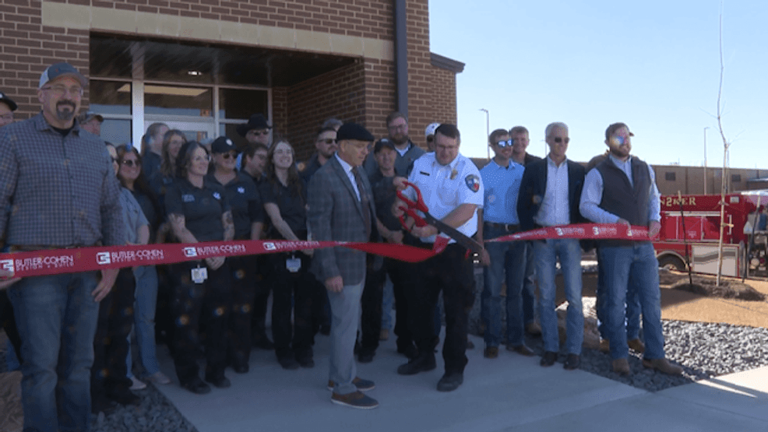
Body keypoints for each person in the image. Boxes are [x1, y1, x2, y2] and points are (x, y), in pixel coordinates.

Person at [0, 61, 125, 432]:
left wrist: (113, 262)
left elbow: (111, 207)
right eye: (59, 88)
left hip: (87, 273)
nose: (67, 96)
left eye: (75, 90)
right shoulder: (12, 138)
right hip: (34, 274)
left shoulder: (93, 147)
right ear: (41, 95)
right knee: (41, 369)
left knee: (79, 366)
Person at [579, 122, 683, 376]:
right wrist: (613, 220)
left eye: (627, 137)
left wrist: (655, 218)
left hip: (644, 246)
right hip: (615, 247)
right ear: (608, 143)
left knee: (651, 300)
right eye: (619, 137)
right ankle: (618, 355)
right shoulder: (597, 172)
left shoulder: (644, 168)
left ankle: (655, 356)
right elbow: (586, 206)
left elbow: (653, 197)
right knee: (615, 301)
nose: (625, 141)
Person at [394, 124, 483, 393]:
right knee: (419, 305)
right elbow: (407, 199)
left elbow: (467, 210)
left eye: (451, 148)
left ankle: (454, 369)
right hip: (421, 246)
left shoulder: (468, 170)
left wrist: (434, 228)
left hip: (454, 250)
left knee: (456, 312)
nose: (445, 152)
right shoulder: (421, 162)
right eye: (441, 146)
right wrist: (404, 217)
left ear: (458, 145)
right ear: (434, 144)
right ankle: (424, 355)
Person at [307, 122, 379, 409]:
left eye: (367, 148)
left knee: (348, 324)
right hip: (340, 268)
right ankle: (343, 388)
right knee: (345, 326)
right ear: (343, 145)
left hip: (358, 262)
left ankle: (341, 375)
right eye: (361, 147)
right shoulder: (324, 178)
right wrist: (330, 270)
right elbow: (320, 229)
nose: (365, 152)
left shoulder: (358, 172)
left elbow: (367, 212)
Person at [165, 141, 235, 394]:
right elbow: (179, 228)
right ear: (186, 163)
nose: (204, 161)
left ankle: (216, 371)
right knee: (189, 323)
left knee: (218, 319)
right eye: (197, 158)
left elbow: (228, 224)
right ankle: (189, 376)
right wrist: (205, 253)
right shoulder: (175, 190)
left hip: (220, 264)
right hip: (190, 266)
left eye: (205, 157)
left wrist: (223, 252)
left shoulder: (217, 190)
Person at [518, 122, 586, 370]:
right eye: (557, 139)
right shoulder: (534, 169)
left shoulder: (579, 171)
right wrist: (532, 232)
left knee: (575, 297)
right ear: (547, 140)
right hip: (543, 238)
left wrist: (584, 238)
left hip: (570, 238)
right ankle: (550, 348)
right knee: (545, 296)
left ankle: (574, 351)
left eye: (566, 140)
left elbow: (584, 205)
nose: (562, 144)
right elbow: (523, 204)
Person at [90, 144, 146, 413]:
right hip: (98, 276)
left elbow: (142, 224)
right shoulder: (86, 192)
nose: (113, 163)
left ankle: (118, 386)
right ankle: (96, 393)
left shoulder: (124, 193)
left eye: (116, 159)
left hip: (126, 272)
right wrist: (121, 248)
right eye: (108, 158)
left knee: (121, 332)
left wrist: (138, 252)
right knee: (97, 337)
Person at [115, 145, 173, 389]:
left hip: (146, 263)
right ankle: (125, 374)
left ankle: (150, 368)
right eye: (126, 162)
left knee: (146, 320)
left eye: (136, 162)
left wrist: (144, 250)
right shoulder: (111, 192)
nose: (133, 167)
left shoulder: (143, 194)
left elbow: (150, 224)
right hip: (121, 268)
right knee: (124, 323)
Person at [207, 136, 265, 373]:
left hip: (243, 253)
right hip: (215, 254)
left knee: (243, 307)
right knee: (218, 308)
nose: (231, 159)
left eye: (234, 155)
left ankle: (240, 357)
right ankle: (218, 360)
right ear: (214, 157)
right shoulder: (205, 182)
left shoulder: (246, 182)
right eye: (226, 155)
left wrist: (252, 246)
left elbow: (258, 216)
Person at [260, 139, 318, 370]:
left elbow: (310, 213)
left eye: (288, 151)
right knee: (283, 302)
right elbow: (276, 220)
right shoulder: (267, 185)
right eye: (280, 151)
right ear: (272, 157)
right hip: (281, 247)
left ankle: (303, 349)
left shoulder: (300, 183)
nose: (285, 155)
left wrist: (311, 240)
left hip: (306, 246)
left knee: (305, 301)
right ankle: (283, 351)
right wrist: (296, 243)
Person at [476, 129, 533, 360]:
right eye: (501, 143)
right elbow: (477, 212)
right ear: (492, 146)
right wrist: (480, 244)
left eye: (509, 142)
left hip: (518, 236)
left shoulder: (523, 172)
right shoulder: (483, 174)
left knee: (516, 290)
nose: (507, 146)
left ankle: (516, 340)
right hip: (493, 235)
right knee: (491, 291)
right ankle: (492, 340)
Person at [585, 150, 643, 355]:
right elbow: (589, 203)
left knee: (633, 288)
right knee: (608, 288)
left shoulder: (636, 166)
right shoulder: (597, 164)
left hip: (634, 240)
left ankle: (632, 334)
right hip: (608, 240)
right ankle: (607, 335)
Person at [368, 138, 418, 359]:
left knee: (406, 296)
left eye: (389, 152)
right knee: (373, 298)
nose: (386, 156)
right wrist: (388, 234)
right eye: (381, 153)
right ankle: (368, 345)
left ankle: (405, 343)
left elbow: (413, 210)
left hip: (402, 243)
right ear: (376, 157)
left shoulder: (407, 181)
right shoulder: (369, 182)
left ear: (395, 155)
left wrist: (402, 232)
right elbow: (369, 214)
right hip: (378, 245)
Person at [240, 142, 275, 349]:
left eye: (266, 158)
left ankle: (258, 334)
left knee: (261, 294)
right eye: (260, 157)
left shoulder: (265, 182)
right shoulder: (237, 181)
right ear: (248, 159)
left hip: (264, 250)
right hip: (244, 248)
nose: (264, 162)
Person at [509, 125, 542, 337]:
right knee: (501, 280)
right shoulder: (501, 162)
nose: (519, 143)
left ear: (528, 142)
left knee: (528, 279)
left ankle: (529, 320)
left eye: (523, 139)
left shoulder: (537, 165)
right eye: (515, 140)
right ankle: (497, 322)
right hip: (504, 229)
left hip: (529, 229)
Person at [363, 111, 425, 177]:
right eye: (393, 128)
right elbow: (367, 182)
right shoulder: (376, 154)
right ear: (388, 129)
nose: (398, 131)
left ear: (407, 127)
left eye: (401, 126)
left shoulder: (421, 154)